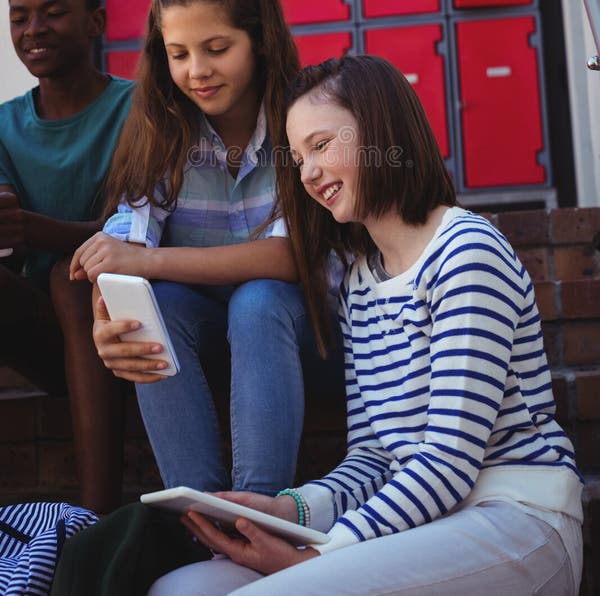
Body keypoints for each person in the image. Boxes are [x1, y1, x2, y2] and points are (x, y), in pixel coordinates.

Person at [148, 54, 583, 596]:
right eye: (298, 156)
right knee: (182, 590)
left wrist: (321, 553)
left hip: (516, 518)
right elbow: (376, 456)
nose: (306, 173)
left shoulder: (466, 253)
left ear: (380, 132)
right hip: (420, 522)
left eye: (322, 146)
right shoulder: (360, 283)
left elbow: (447, 462)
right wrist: (289, 508)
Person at [70, 0, 342, 497]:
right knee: (157, 308)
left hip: (313, 341)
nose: (197, 71)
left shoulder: (303, 119)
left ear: (259, 40)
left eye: (217, 48)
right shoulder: (162, 130)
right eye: (178, 53)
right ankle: (199, 519)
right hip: (209, 346)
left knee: (259, 298)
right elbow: (128, 241)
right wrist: (110, 310)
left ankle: (257, 508)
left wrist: (145, 261)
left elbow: (288, 257)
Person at [0, 0, 133, 514]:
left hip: (128, 330)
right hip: (45, 346)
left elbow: (143, 229)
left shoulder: (140, 108)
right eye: (19, 17)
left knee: (72, 276)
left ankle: (96, 519)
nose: (33, 31)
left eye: (53, 13)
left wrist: (37, 230)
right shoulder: (5, 122)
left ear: (95, 22)